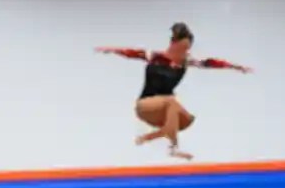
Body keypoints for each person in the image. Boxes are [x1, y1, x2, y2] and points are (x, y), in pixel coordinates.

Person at [96, 21, 252, 161]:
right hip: (145, 105)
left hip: (164, 111)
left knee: (187, 120)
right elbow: (133, 53)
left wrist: (235, 67)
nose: (182, 53)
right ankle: (163, 143)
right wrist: (112, 50)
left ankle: (159, 142)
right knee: (172, 102)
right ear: (171, 45)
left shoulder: (186, 62)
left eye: (186, 50)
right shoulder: (155, 56)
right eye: (179, 49)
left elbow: (209, 62)